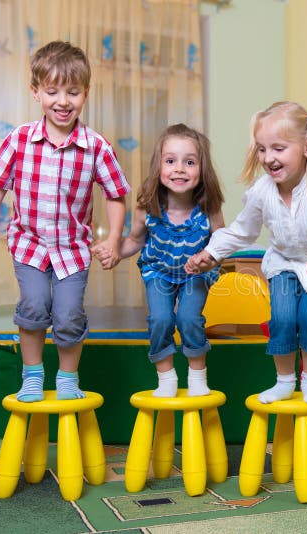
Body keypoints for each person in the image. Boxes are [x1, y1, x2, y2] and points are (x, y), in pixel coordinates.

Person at [0, 41, 131, 402]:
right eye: (52, 91)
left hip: (72, 249)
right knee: (34, 305)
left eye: (73, 92)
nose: (63, 101)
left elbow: (116, 194)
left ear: (86, 93)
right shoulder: (19, 139)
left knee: (69, 314)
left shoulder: (96, 146)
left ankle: (68, 379)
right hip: (29, 244)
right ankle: (33, 377)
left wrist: (114, 239)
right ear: (36, 91)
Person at [186, 101, 307, 405]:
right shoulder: (262, 191)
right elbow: (242, 230)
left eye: (278, 148)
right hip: (283, 263)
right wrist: (211, 253)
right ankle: (284, 381)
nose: (268, 158)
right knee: (282, 318)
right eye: (262, 149)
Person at [94, 124, 225, 397]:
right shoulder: (148, 205)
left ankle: (197, 377)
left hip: (195, 274)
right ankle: (166, 378)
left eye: (189, 162)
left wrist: (209, 259)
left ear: (202, 169)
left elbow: (221, 242)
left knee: (189, 318)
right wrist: (116, 251)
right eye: (170, 161)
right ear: (158, 166)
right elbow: (135, 241)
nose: (179, 169)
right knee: (161, 320)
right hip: (159, 272)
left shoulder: (209, 206)